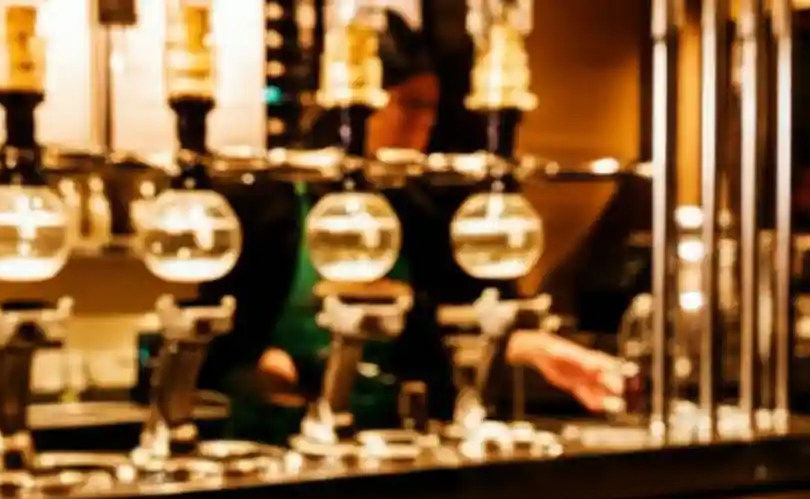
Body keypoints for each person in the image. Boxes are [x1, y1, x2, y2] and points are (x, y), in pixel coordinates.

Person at [200, 10, 621, 443]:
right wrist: (258, 364)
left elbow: (448, 319)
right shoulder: (272, 201)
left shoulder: (416, 208)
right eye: (410, 104)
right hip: (269, 439)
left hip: (388, 436)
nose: (424, 123)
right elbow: (219, 339)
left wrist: (537, 347)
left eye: (431, 108)